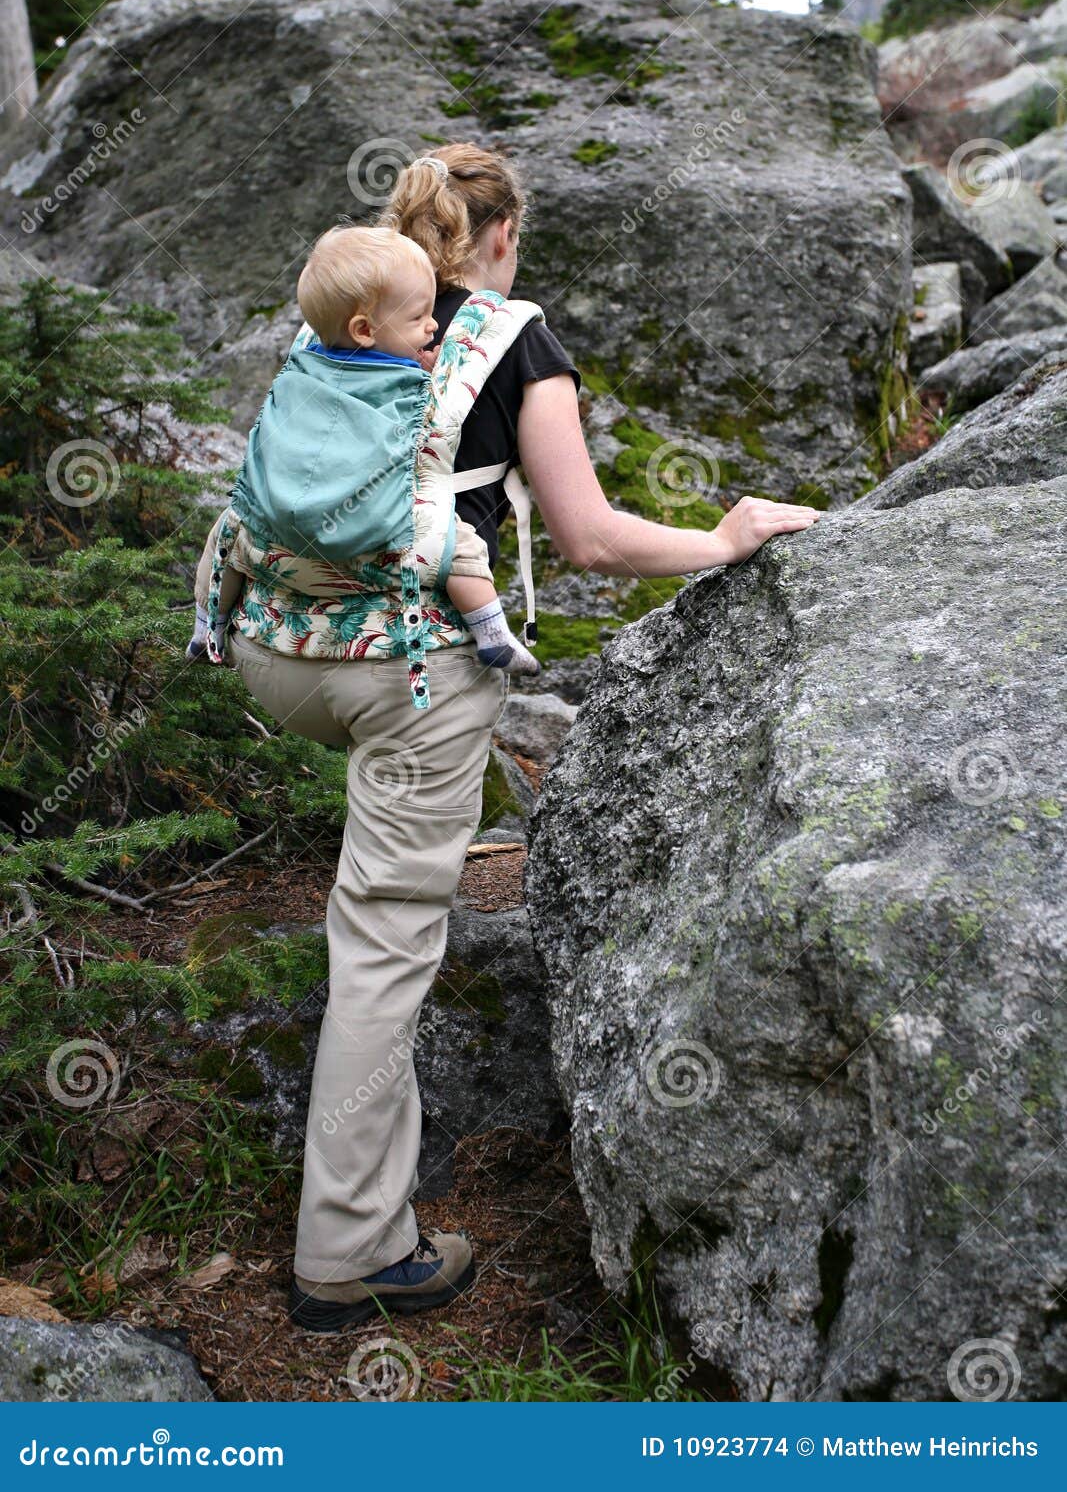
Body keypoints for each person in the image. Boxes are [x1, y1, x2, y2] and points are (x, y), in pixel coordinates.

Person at [211, 141, 820, 1333]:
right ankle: (349, 1254)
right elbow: (587, 537)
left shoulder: (339, 317)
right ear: (499, 238)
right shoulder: (515, 336)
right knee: (383, 945)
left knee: (374, 873)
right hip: (412, 668)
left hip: (276, 651)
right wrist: (725, 536)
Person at [187, 223, 539, 676]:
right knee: (458, 545)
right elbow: (420, 409)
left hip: (284, 505)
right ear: (364, 329)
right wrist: (426, 369)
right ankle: (492, 633)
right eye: (418, 318)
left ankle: (207, 626)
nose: (433, 325)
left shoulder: (303, 368)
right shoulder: (404, 381)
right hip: (370, 509)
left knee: (226, 533)